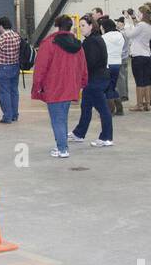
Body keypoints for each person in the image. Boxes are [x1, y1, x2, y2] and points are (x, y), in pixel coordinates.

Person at [30, 16, 88, 158]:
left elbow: (40, 68)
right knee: (62, 117)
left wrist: (37, 86)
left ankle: (62, 148)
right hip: (70, 87)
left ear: (57, 26)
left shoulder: (49, 43)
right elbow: (83, 66)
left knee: (57, 119)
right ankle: (62, 145)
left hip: (54, 87)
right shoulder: (77, 44)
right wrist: (82, 83)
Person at [71, 15, 113, 147]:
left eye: (83, 25)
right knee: (86, 107)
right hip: (94, 79)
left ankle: (106, 137)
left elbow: (90, 62)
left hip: (96, 80)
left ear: (91, 26)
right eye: (80, 25)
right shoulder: (92, 39)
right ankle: (79, 133)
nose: (81, 28)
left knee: (103, 109)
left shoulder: (92, 41)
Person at [0, 16, 21, 124]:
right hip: (15, 66)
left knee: (4, 92)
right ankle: (15, 115)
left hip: (4, 68)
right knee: (14, 91)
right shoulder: (17, 36)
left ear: (1, 26)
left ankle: (7, 117)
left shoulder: (0, 38)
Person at [123, 6, 151, 111]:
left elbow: (129, 34)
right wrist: (132, 18)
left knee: (139, 81)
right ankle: (148, 104)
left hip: (138, 56)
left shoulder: (141, 25)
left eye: (139, 13)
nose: (137, 14)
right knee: (147, 81)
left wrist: (126, 21)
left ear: (143, 14)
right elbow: (138, 27)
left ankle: (139, 104)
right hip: (147, 55)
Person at [99, 16, 126, 115]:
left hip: (107, 64)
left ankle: (110, 110)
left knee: (108, 87)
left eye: (101, 27)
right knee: (113, 86)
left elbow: (101, 51)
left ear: (105, 27)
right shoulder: (120, 35)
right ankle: (119, 108)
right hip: (117, 63)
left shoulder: (104, 37)